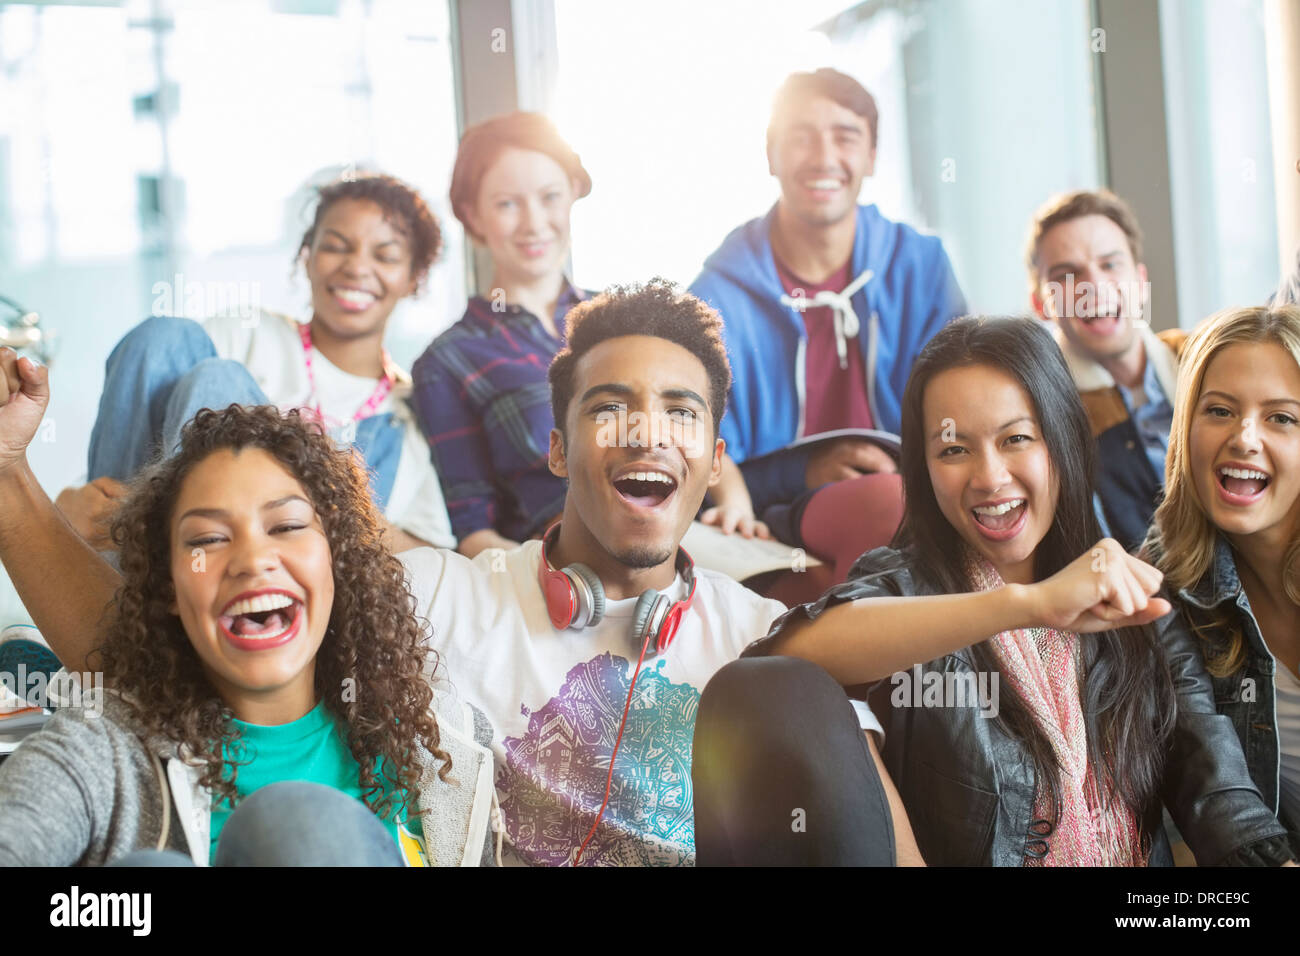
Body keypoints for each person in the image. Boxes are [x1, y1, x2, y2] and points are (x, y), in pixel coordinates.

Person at [0, 281, 906, 867]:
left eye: (679, 412)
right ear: (554, 447)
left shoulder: (771, 650)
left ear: (712, 464)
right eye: (610, 408)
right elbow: (172, 644)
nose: (644, 432)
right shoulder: (445, 596)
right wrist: (10, 473)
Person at [692, 316, 1295, 866]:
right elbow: (783, 665)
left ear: (1061, 440)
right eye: (954, 449)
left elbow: (1216, 789)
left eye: (1016, 439)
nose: (989, 478)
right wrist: (1022, 606)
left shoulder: (1129, 589)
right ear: (924, 467)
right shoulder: (908, 585)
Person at [0, 404, 495, 866]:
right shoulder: (102, 749)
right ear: (169, 586)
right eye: (208, 540)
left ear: (336, 562)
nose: (253, 560)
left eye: (285, 526)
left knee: (296, 826)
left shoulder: (445, 744)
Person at [56, 173, 454, 557]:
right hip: (146, 556)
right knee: (168, 338)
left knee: (220, 378)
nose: (356, 267)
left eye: (385, 256)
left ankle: (158, 583)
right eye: (335, 246)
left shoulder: (409, 415)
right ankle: (109, 576)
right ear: (307, 256)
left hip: (274, 573)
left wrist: (330, 506)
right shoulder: (247, 333)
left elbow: (435, 556)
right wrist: (72, 506)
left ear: (414, 278)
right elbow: (142, 421)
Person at [689, 68, 965, 582]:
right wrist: (804, 470)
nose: (823, 157)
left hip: (917, 488)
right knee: (886, 506)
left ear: (872, 157)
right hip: (775, 512)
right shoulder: (714, 297)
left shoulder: (921, 266)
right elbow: (698, 454)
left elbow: (966, 410)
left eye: (845, 136)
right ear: (771, 156)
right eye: (800, 137)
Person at [410, 112, 594, 558]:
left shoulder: (627, 316)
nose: (533, 223)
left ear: (572, 193)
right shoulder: (449, 361)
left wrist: (735, 505)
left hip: (692, 529)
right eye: (508, 204)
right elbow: (472, 531)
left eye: (550, 196)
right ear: (473, 215)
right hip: (573, 569)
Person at [1148, 304, 1300, 841]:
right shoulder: (1162, 582)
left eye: (1281, 417)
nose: (1244, 438)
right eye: (1219, 411)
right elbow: (1213, 786)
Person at [1027, 189, 1184, 553]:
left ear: (1141, 281)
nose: (1093, 286)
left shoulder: (1202, 364)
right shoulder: (1039, 418)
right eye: (1067, 274)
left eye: (1110, 265)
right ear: (1040, 303)